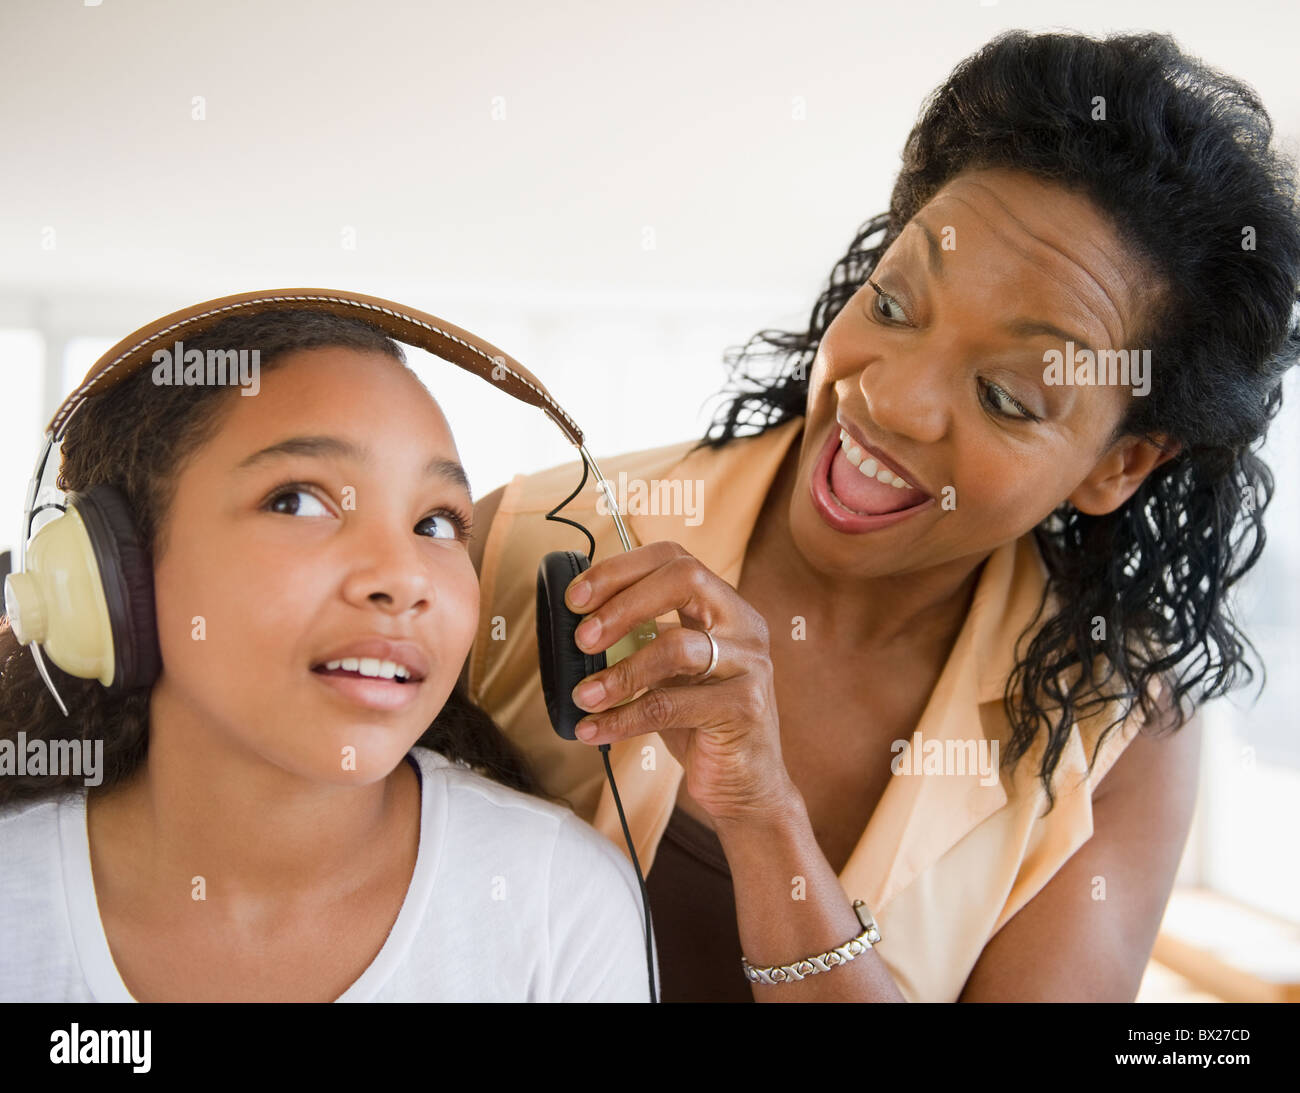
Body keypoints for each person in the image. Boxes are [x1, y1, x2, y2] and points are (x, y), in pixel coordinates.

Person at [464, 29, 1300, 1001]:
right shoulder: (529, 544)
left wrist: (763, 815)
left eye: (1007, 396)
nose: (892, 400)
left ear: (1117, 464)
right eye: (896, 305)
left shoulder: (1115, 734)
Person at [0, 308, 655, 1002]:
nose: (402, 578)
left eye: (436, 523)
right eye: (297, 502)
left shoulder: (559, 905)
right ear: (109, 574)